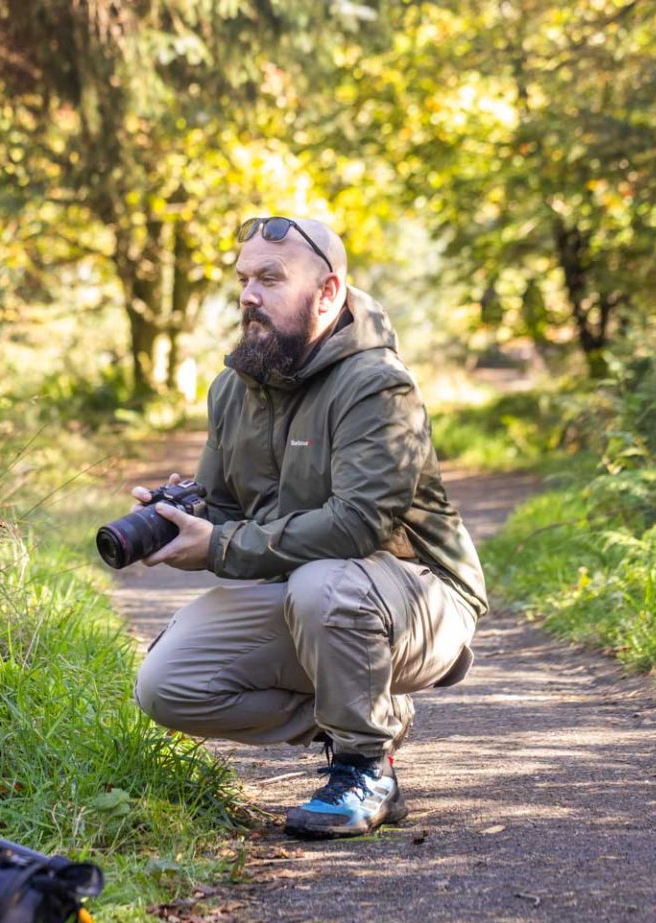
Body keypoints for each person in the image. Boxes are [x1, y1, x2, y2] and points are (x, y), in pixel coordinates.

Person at [128, 215, 488, 840]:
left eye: (270, 278)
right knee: (167, 684)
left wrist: (221, 546)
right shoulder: (232, 389)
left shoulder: (377, 384)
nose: (248, 295)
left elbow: (358, 525)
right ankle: (368, 709)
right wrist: (177, 519)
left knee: (325, 583)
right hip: (312, 595)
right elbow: (224, 508)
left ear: (328, 292)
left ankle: (364, 766)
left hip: (423, 599)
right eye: (243, 280)